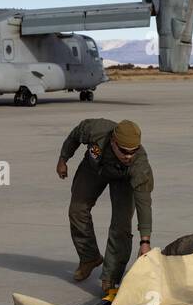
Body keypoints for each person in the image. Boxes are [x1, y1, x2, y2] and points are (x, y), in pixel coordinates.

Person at [57, 118, 153, 295]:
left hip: (123, 179)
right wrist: (63, 159)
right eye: (124, 151)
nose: (129, 156)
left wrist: (145, 241)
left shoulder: (139, 165)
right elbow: (74, 136)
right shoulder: (95, 130)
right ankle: (89, 258)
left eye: (133, 151)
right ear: (113, 142)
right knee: (77, 210)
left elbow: (144, 203)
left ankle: (110, 279)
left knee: (121, 225)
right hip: (94, 169)